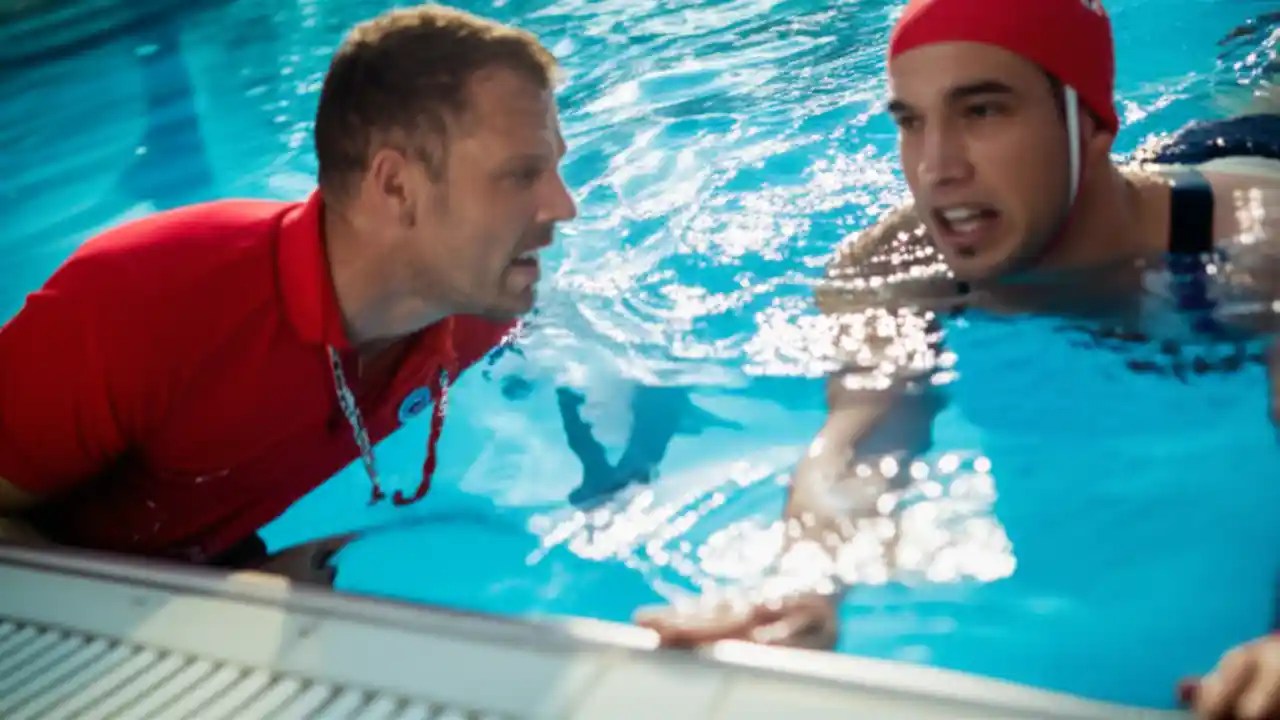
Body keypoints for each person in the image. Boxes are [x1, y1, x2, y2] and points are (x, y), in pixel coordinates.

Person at [637, 0, 1280, 717]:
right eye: (910, 121)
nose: (936, 167)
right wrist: (805, 579)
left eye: (982, 111)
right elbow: (861, 436)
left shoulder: (1259, 251)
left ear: (1094, 122)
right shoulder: (892, 267)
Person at [0, 4, 576, 584]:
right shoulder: (145, 303)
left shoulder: (476, 303)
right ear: (396, 185)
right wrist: (207, 606)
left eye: (555, 169)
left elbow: (575, 350)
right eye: (521, 176)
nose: (564, 207)